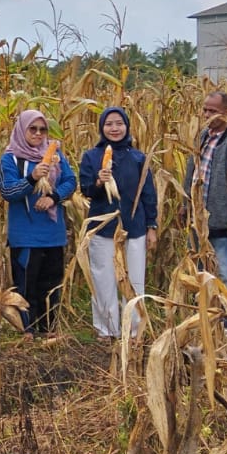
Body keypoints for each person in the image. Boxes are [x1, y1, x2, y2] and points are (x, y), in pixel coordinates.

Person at [78, 106, 158, 341]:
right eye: (109, 124)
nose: (114, 128)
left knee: (134, 279)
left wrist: (151, 226)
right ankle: (107, 328)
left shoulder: (138, 157)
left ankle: (134, 329)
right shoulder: (91, 157)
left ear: (126, 126)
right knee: (103, 276)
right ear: (102, 127)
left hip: (134, 227)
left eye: (119, 123)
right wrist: (99, 182)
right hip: (102, 226)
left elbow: (148, 194)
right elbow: (86, 190)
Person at [0, 110, 75, 340]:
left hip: (53, 234)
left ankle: (48, 328)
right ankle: (27, 329)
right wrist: (32, 178)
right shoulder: (10, 159)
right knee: (27, 283)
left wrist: (54, 197)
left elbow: (71, 181)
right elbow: (8, 192)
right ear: (22, 130)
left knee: (51, 283)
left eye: (42, 130)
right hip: (26, 235)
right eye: (33, 129)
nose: (39, 134)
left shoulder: (55, 155)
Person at [182, 91, 227, 296]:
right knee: (201, 273)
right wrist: (185, 205)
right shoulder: (202, 137)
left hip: (222, 224)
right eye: (204, 110)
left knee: (225, 276)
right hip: (198, 220)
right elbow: (192, 173)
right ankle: (206, 319)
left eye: (212, 111)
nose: (206, 115)